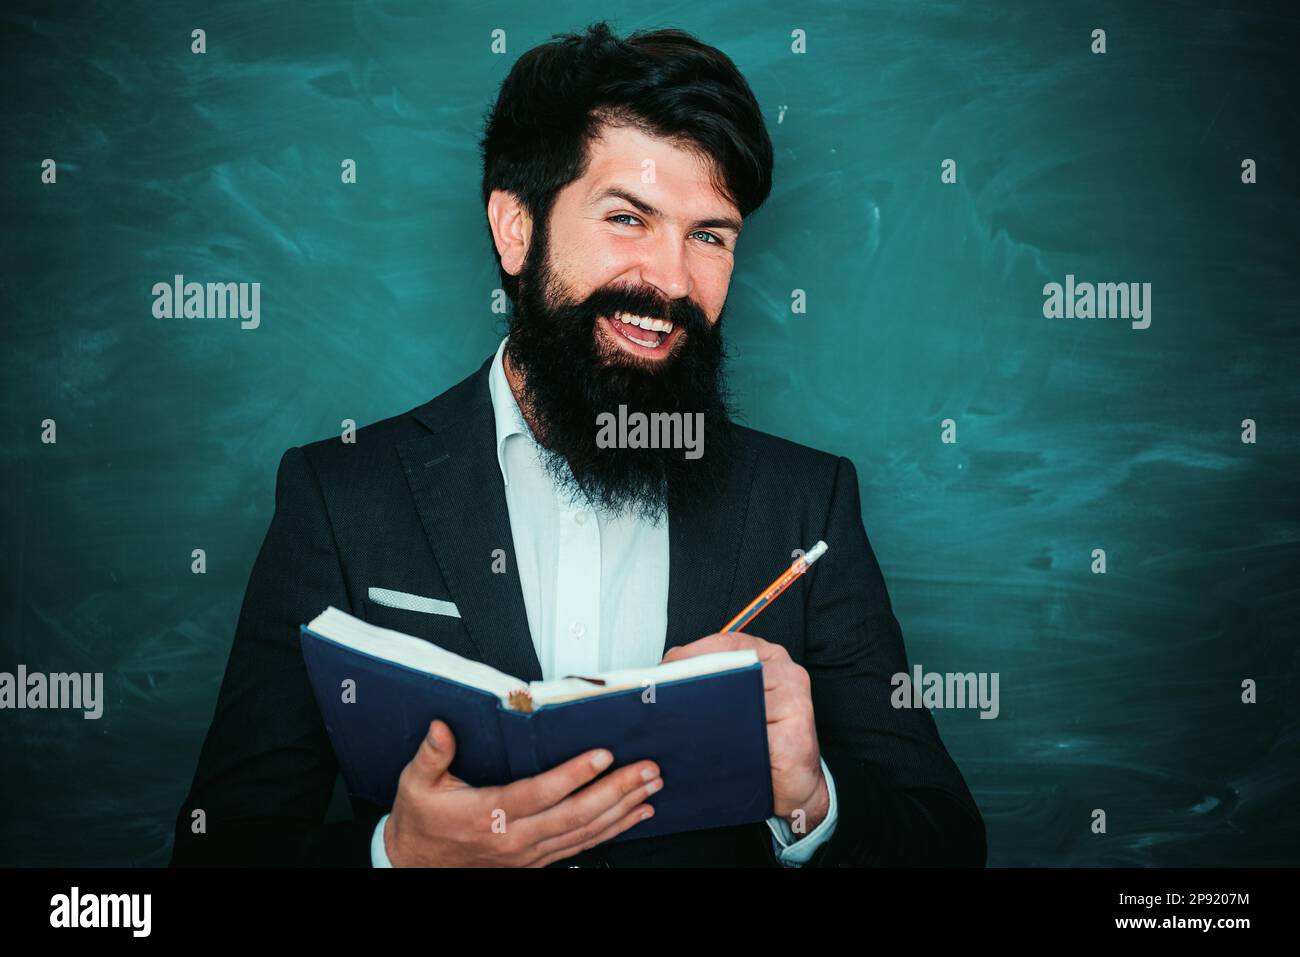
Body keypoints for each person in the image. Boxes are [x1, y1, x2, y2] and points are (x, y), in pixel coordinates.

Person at [170, 21, 984, 868]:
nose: (671, 280)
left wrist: (813, 796)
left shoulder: (805, 502)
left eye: (709, 234)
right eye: (629, 217)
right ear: (515, 228)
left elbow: (949, 844)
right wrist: (393, 855)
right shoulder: (341, 496)